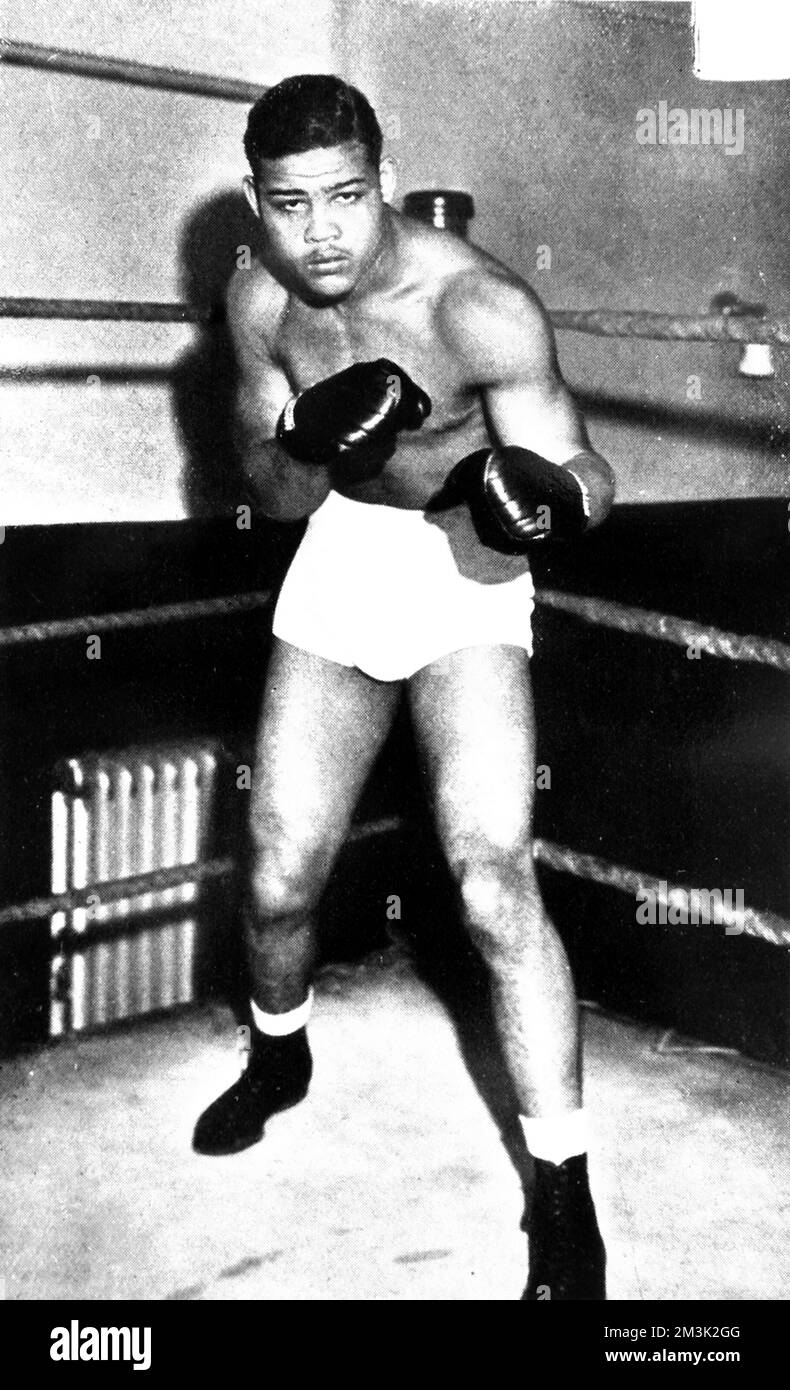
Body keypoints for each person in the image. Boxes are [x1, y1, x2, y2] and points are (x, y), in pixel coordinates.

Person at [193, 73, 615, 1302]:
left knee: (491, 866)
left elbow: (586, 467)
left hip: (472, 561)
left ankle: (563, 1190)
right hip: (343, 554)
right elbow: (266, 496)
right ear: (257, 205)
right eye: (289, 204)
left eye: (344, 196)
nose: (320, 230)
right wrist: (304, 444)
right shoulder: (257, 295)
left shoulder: (477, 302)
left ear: (382, 178)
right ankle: (279, 1057)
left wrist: (548, 497)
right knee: (276, 868)